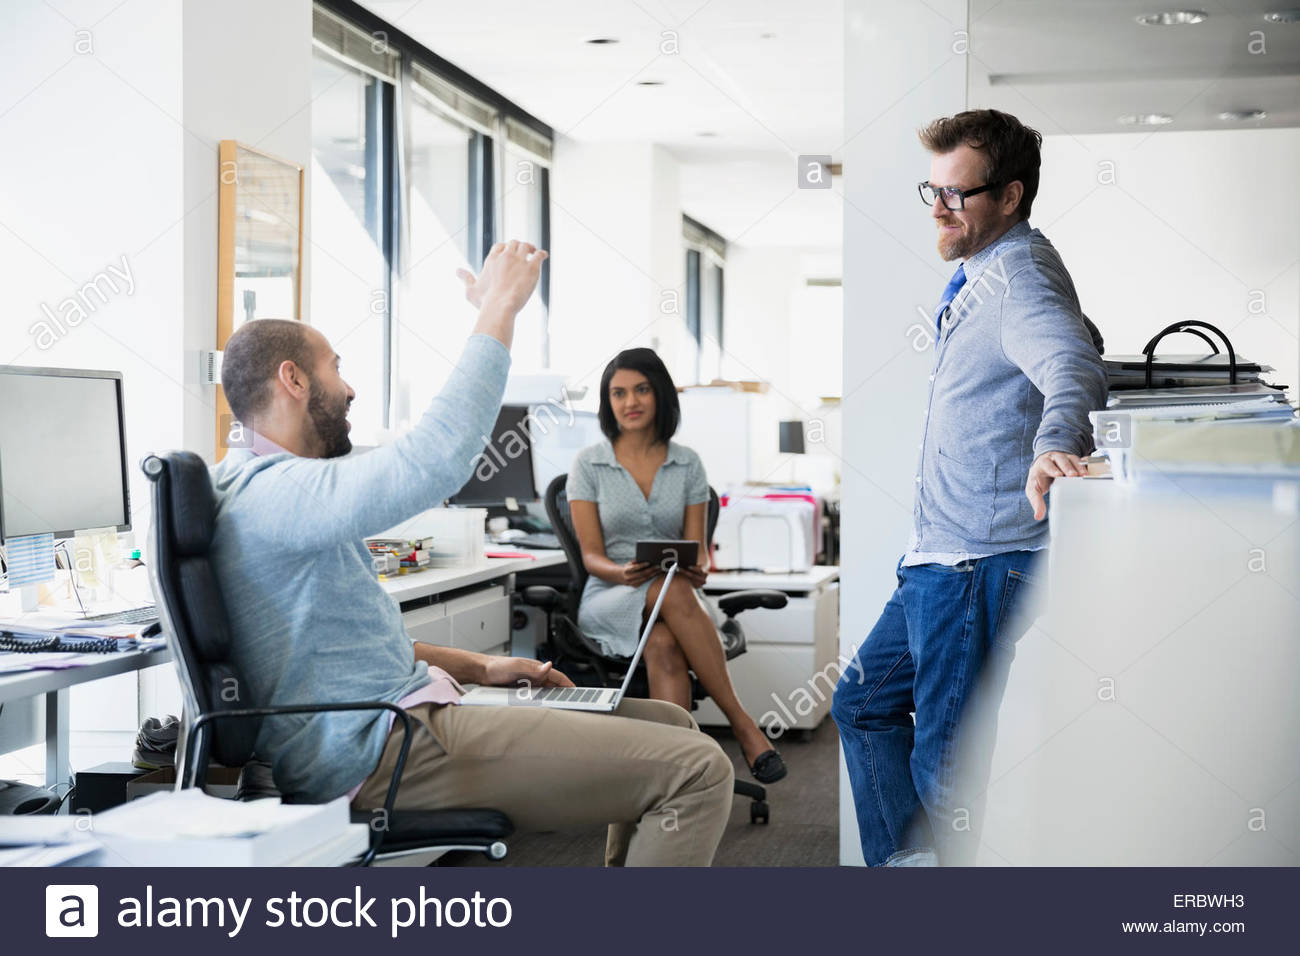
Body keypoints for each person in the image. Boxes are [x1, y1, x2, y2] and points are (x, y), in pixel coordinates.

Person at [210, 241, 734, 867]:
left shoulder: (274, 488)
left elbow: (338, 652)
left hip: (404, 716)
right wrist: (501, 309)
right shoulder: (272, 494)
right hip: (386, 750)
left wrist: (483, 667)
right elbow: (433, 460)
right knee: (699, 768)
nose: (349, 388)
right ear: (293, 379)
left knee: (673, 728)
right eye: (335, 367)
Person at [831, 109, 1108, 865]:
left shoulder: (1016, 273)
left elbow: (1072, 365)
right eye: (934, 189)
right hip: (939, 558)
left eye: (959, 194)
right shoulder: (989, 270)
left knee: (945, 771)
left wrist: (1056, 442)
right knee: (862, 704)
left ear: (1010, 195)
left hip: (975, 563)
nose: (938, 207)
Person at [566, 348, 787, 785]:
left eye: (641, 389)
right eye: (618, 393)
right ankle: (744, 726)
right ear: (607, 402)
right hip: (609, 593)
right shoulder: (588, 464)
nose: (630, 402)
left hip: (675, 593)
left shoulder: (688, 463)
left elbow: (697, 548)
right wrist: (621, 573)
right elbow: (591, 556)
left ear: (660, 395)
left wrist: (697, 567)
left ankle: (673, 778)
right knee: (671, 594)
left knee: (665, 641)